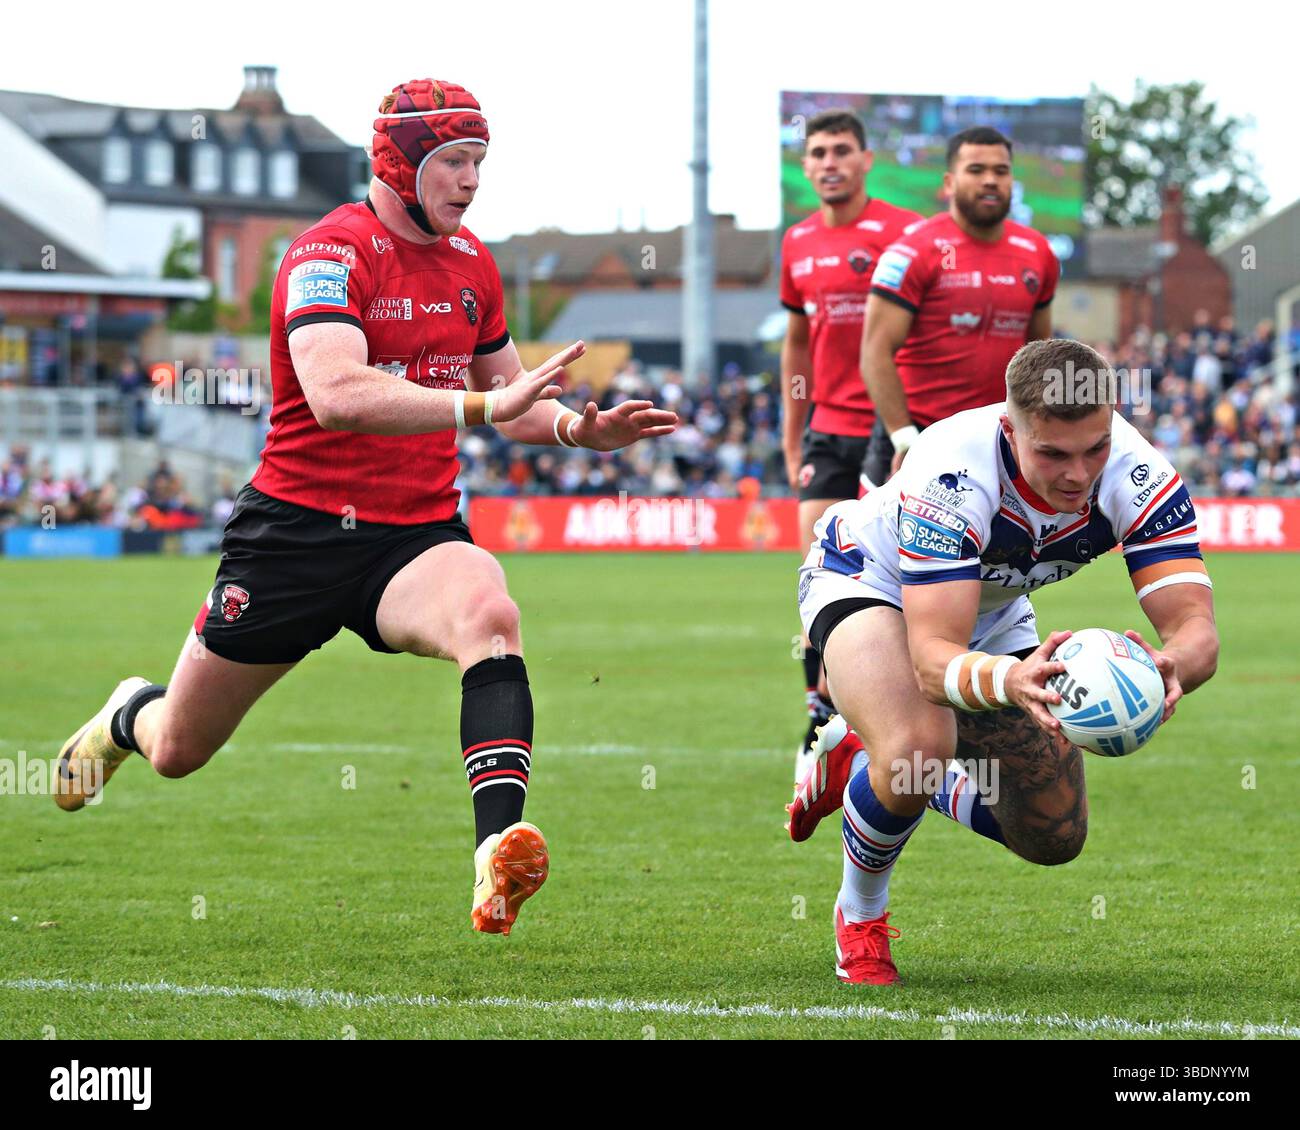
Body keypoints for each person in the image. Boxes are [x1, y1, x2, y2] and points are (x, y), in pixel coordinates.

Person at [53, 79, 677, 939]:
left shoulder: (472, 264)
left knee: (488, 611)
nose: (471, 181)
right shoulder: (328, 252)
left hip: (413, 536)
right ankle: (129, 711)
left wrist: (576, 429)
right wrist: (480, 410)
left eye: (480, 163)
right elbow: (338, 394)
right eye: (454, 161)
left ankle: (496, 854)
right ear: (401, 161)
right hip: (294, 536)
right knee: (177, 752)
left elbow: (510, 396)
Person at [791, 338, 1218, 983]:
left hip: (990, 609)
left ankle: (860, 759)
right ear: (1010, 427)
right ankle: (862, 914)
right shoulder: (953, 466)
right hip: (868, 579)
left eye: (1094, 448)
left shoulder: (1141, 474)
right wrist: (1010, 678)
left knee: (1054, 834)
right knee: (918, 743)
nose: (1078, 473)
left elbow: (1195, 626)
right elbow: (934, 659)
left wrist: (1170, 666)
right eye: (1052, 453)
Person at [779, 109, 921, 781]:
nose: (829, 162)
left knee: (894, 573)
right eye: (817, 152)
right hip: (827, 425)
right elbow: (798, 343)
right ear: (805, 167)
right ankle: (822, 720)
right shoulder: (797, 242)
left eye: (841, 150)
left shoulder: (906, 234)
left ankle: (904, 712)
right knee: (818, 566)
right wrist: (790, 429)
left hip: (891, 427)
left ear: (867, 160)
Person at [859, 126, 1060, 489]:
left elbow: (1039, 355)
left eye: (1000, 171)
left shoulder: (1038, 253)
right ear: (949, 183)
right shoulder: (913, 251)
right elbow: (874, 351)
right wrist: (904, 437)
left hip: (996, 442)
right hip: (917, 436)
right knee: (883, 547)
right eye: (976, 170)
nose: (990, 181)